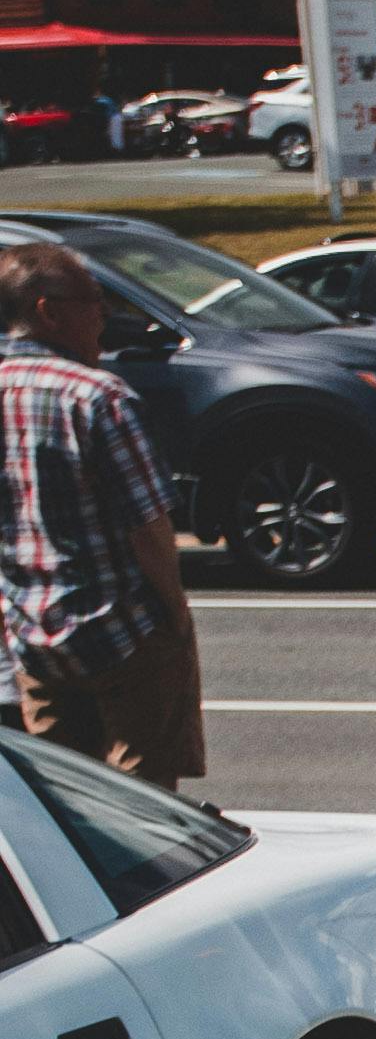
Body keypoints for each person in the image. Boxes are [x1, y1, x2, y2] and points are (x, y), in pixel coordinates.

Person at [0, 237, 208, 786]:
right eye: (94, 298)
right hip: (121, 633)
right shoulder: (98, 397)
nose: (104, 314)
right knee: (145, 801)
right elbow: (150, 527)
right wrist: (174, 615)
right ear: (48, 311)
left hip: (33, 638)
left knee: (71, 802)